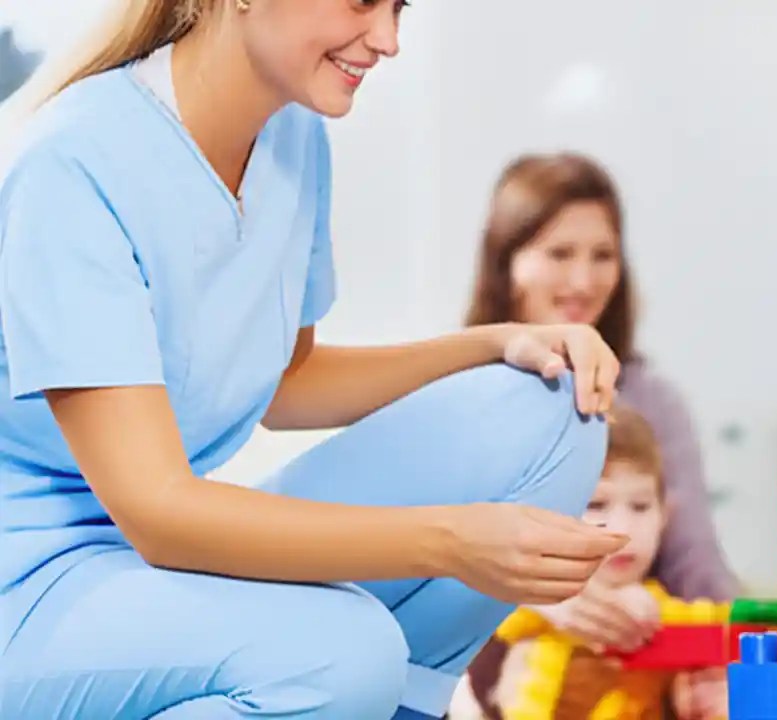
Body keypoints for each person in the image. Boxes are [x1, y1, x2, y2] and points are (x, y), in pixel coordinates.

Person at [0, 2, 631, 719]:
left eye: (400, 8)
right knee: (341, 651)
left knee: (549, 410)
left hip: (156, 562)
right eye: (362, 2)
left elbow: (290, 382)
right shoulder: (74, 163)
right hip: (33, 587)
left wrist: (498, 344)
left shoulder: (293, 134)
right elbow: (159, 513)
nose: (389, 40)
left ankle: (393, 707)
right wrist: (450, 541)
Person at [461, 152, 738, 647]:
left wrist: (735, 658)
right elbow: (417, 567)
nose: (584, 282)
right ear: (506, 261)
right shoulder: (457, 393)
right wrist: (533, 597)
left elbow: (697, 570)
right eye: (559, 254)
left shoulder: (655, 403)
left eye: (602, 255)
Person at [461, 406, 730, 720]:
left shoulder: (674, 612)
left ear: (665, 516)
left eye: (641, 507)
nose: (622, 530)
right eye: (596, 505)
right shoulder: (497, 612)